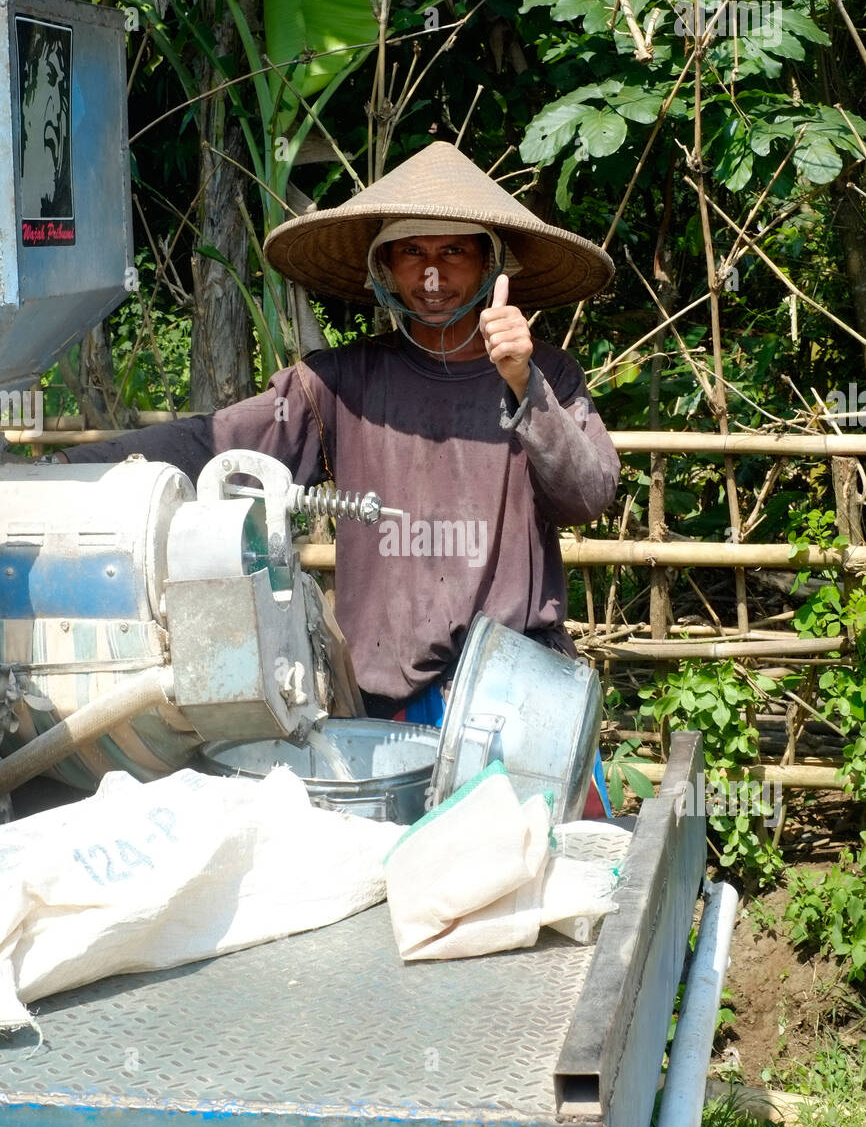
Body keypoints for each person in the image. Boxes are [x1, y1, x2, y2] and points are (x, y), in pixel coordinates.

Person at [61, 141, 619, 725]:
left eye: (454, 250)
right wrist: (69, 470)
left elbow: (587, 496)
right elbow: (218, 441)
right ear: (385, 268)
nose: (432, 274)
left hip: (519, 690)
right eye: (410, 252)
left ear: (489, 264)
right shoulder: (341, 382)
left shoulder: (547, 373)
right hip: (384, 703)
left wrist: (522, 382)